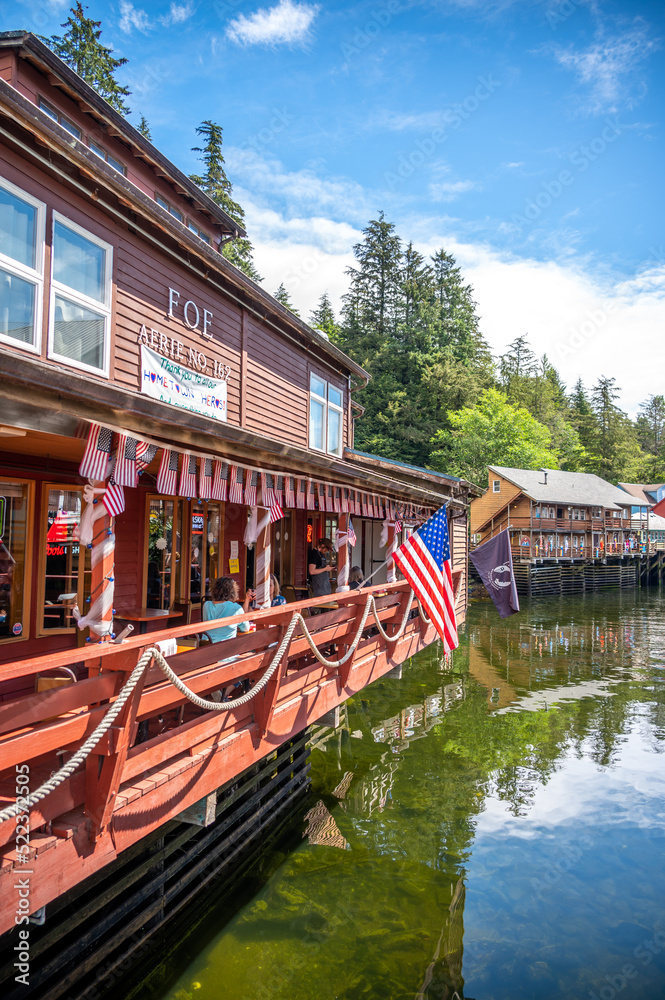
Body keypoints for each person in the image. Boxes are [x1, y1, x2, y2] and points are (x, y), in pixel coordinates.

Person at [202, 577, 255, 701]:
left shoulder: (206, 605)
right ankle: (225, 694)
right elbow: (245, 628)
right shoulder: (235, 608)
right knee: (250, 657)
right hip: (226, 655)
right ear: (232, 592)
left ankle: (218, 691)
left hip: (206, 653)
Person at [308, 537, 332, 607]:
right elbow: (311, 571)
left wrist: (328, 569)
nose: (327, 551)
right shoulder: (314, 554)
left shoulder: (321, 554)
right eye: (327, 549)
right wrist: (325, 569)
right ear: (322, 545)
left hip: (324, 587)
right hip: (318, 588)